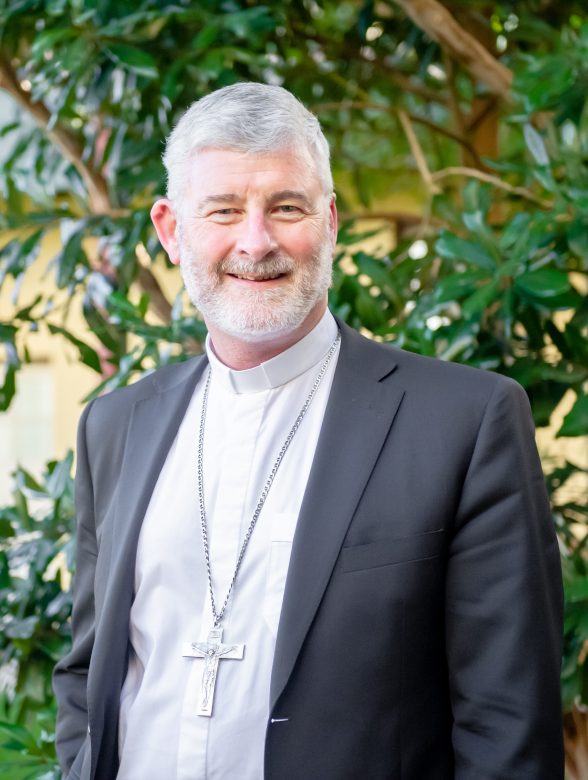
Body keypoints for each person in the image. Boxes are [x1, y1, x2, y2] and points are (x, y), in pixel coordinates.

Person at [53, 82, 564, 779]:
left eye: (285, 207)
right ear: (172, 231)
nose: (255, 242)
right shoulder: (114, 426)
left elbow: (507, 723)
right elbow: (90, 671)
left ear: (329, 222)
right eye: (225, 210)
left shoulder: (464, 424)